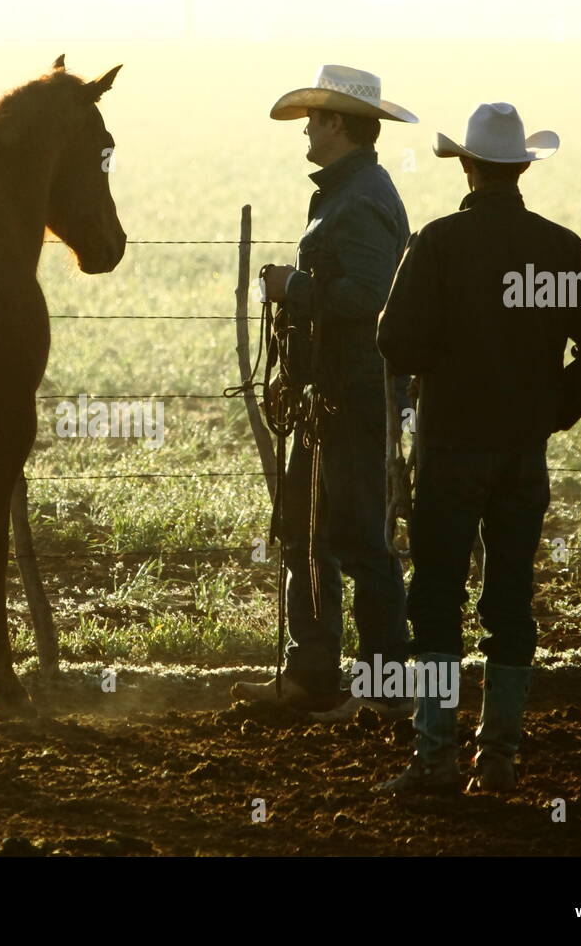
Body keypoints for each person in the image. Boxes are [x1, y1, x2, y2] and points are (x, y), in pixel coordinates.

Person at [375, 103, 581, 793]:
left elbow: (395, 342)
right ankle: (501, 758)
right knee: (510, 600)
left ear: (467, 164)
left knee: (435, 599)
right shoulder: (562, 249)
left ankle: (434, 758)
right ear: (521, 167)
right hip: (522, 451)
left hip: (450, 447)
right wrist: (552, 409)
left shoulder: (439, 242)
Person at [232, 66, 415, 720]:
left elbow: (367, 298)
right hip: (330, 391)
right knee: (307, 533)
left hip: (353, 392)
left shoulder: (360, 197)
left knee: (360, 537)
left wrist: (292, 288)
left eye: (314, 118)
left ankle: (384, 691)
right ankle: (314, 676)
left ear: (337, 124)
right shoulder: (350, 189)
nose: (306, 128)